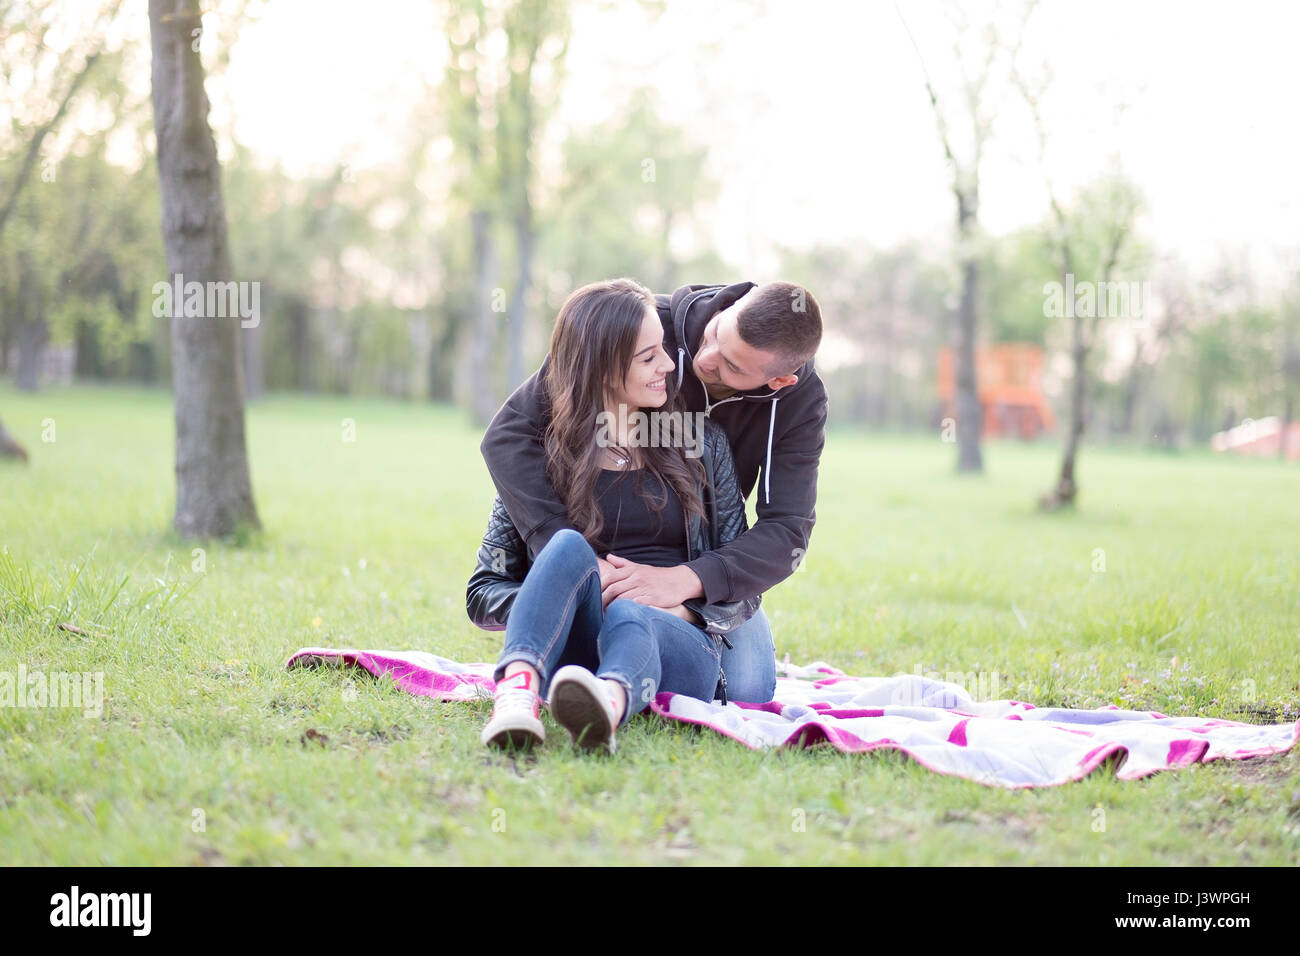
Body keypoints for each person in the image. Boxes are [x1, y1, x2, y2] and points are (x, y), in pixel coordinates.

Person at [479, 279, 826, 703]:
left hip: (704, 559)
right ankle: (526, 687)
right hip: (596, 562)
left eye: (733, 366)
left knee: (747, 687)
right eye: (716, 333)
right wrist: (570, 573)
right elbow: (508, 436)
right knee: (585, 574)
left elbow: (786, 531)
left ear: (778, 381)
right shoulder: (636, 325)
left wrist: (686, 587)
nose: (705, 359)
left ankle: (620, 684)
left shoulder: (793, 406)